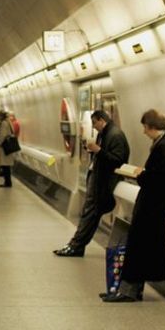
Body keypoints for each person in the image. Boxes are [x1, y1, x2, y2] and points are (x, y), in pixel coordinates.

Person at [103, 109, 165, 302]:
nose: (144, 132)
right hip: (154, 202)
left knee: (139, 245)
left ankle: (129, 290)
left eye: (145, 127)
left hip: (153, 203)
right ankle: (132, 288)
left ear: (152, 127)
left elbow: (157, 177)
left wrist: (140, 175)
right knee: (141, 246)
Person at [54, 109, 130, 257]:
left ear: (102, 120)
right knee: (89, 216)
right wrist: (94, 151)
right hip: (98, 182)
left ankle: (75, 246)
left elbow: (118, 161)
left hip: (102, 184)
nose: (94, 127)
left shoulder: (115, 135)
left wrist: (98, 151)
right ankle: (76, 245)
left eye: (95, 123)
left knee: (89, 215)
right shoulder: (105, 134)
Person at [0, 111, 16, 188]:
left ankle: (7, 182)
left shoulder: (4, 123)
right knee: (6, 165)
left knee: (5, 166)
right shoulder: (8, 122)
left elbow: (2, 135)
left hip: (4, 147)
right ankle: (7, 182)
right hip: (6, 147)